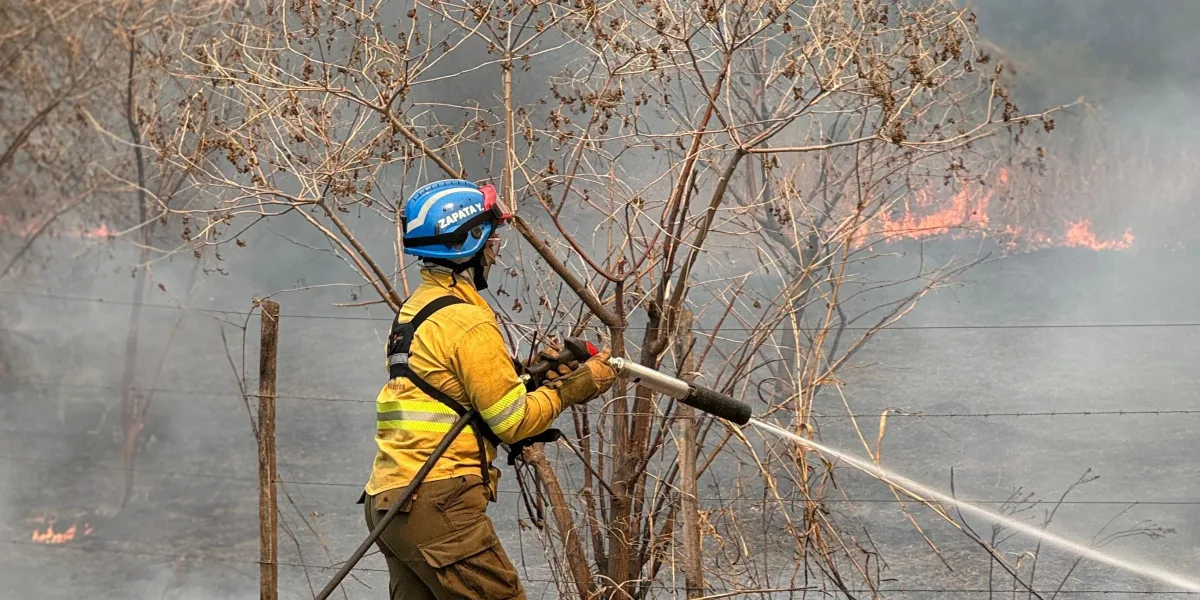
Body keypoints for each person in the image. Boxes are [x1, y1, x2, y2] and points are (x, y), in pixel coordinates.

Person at [361, 178, 616, 600]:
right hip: (438, 503)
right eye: (491, 239)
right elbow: (511, 422)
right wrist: (576, 387)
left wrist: (530, 378)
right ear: (470, 243)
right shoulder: (469, 322)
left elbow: (453, 392)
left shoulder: (417, 309)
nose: (495, 250)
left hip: (390, 504)